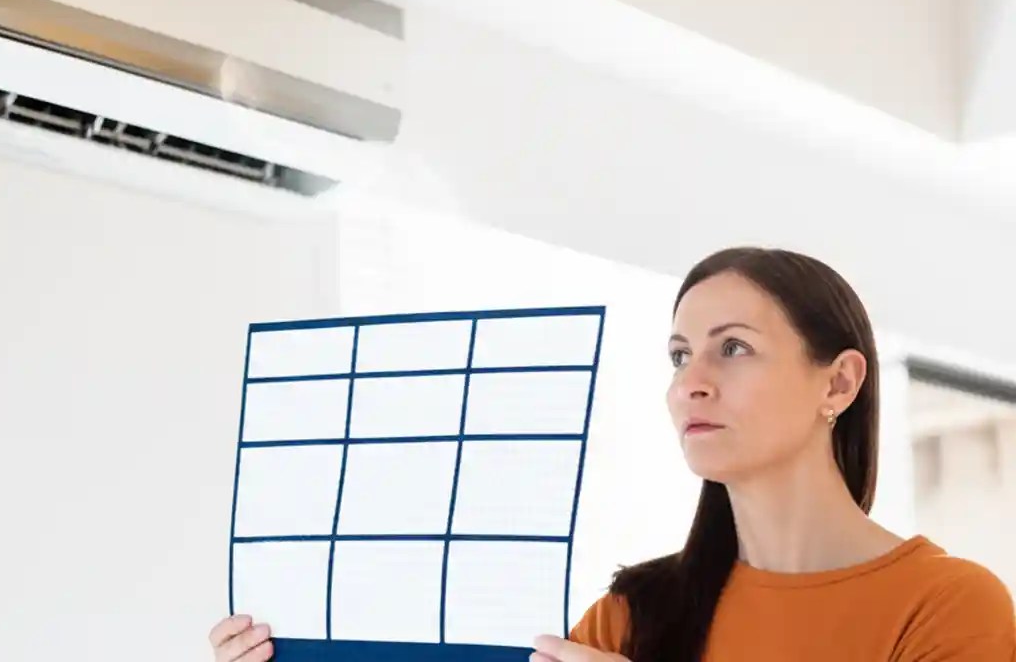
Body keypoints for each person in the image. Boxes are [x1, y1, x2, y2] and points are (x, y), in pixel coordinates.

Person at [210, 247, 1016, 662]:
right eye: (677, 355)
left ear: (836, 383)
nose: (690, 385)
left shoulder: (949, 607)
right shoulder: (630, 616)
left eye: (732, 349)